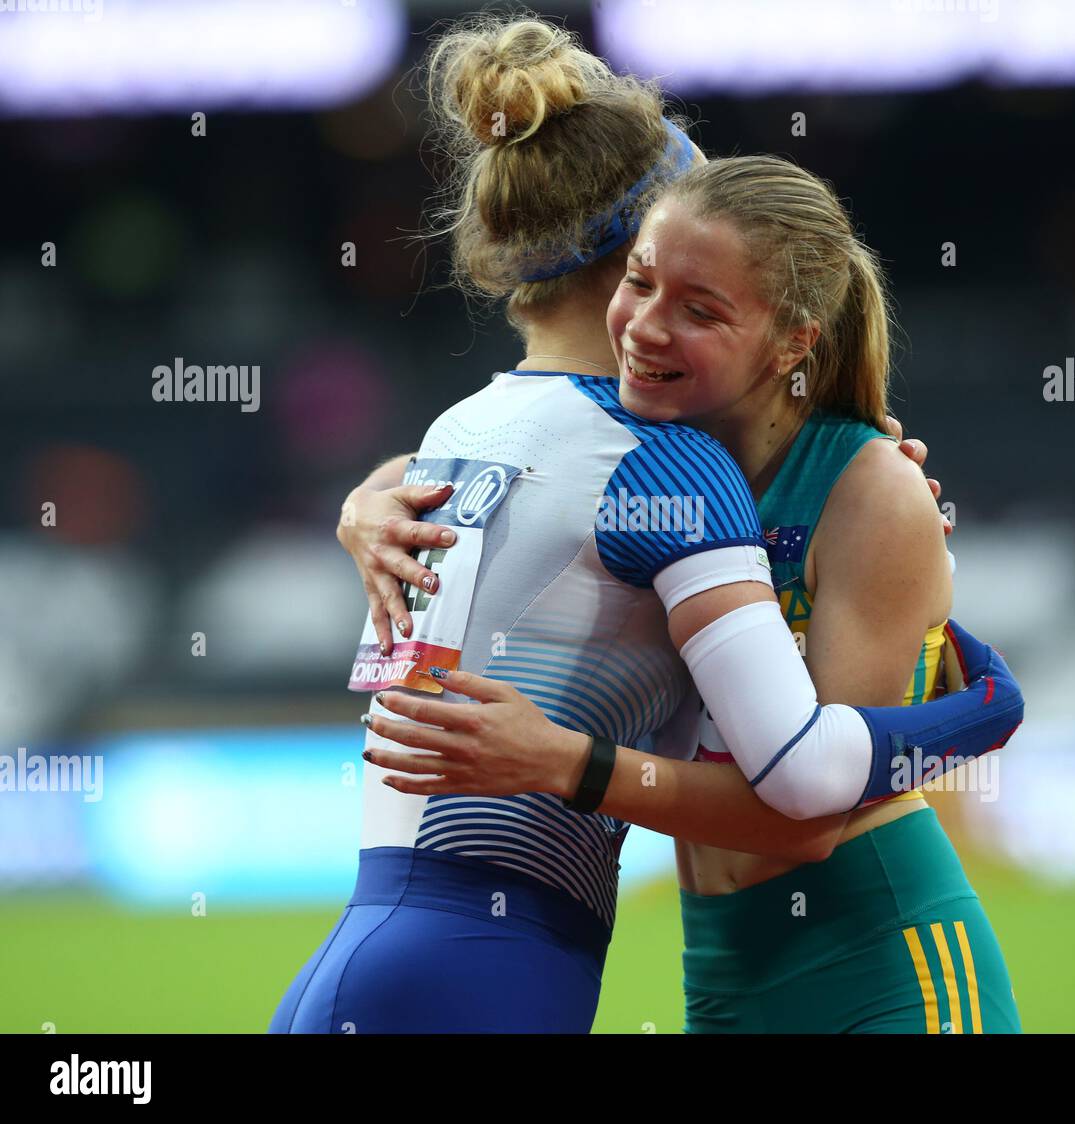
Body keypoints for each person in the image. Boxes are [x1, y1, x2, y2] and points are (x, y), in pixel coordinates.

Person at [270, 15, 1020, 1035]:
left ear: (786, 334)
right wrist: (973, 714)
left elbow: (806, 812)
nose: (653, 321)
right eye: (644, 281)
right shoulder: (657, 457)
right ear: (625, 257)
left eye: (703, 304)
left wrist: (561, 758)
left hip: (871, 949)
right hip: (658, 963)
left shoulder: (843, 478)